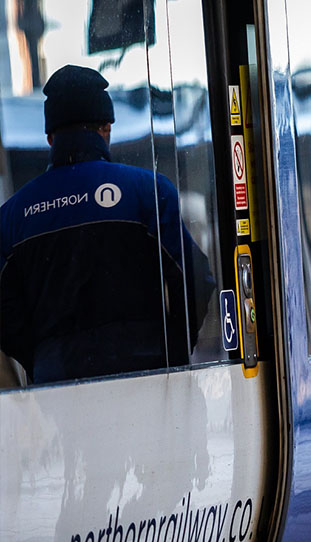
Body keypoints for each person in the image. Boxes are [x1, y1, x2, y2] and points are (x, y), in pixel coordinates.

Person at [0, 64, 214, 385]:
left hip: (56, 386)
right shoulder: (148, 192)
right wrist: (175, 350)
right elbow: (196, 278)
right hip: (148, 375)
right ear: (106, 128)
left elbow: (5, 312)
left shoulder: (12, 217)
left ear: (50, 137)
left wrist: (44, 359)